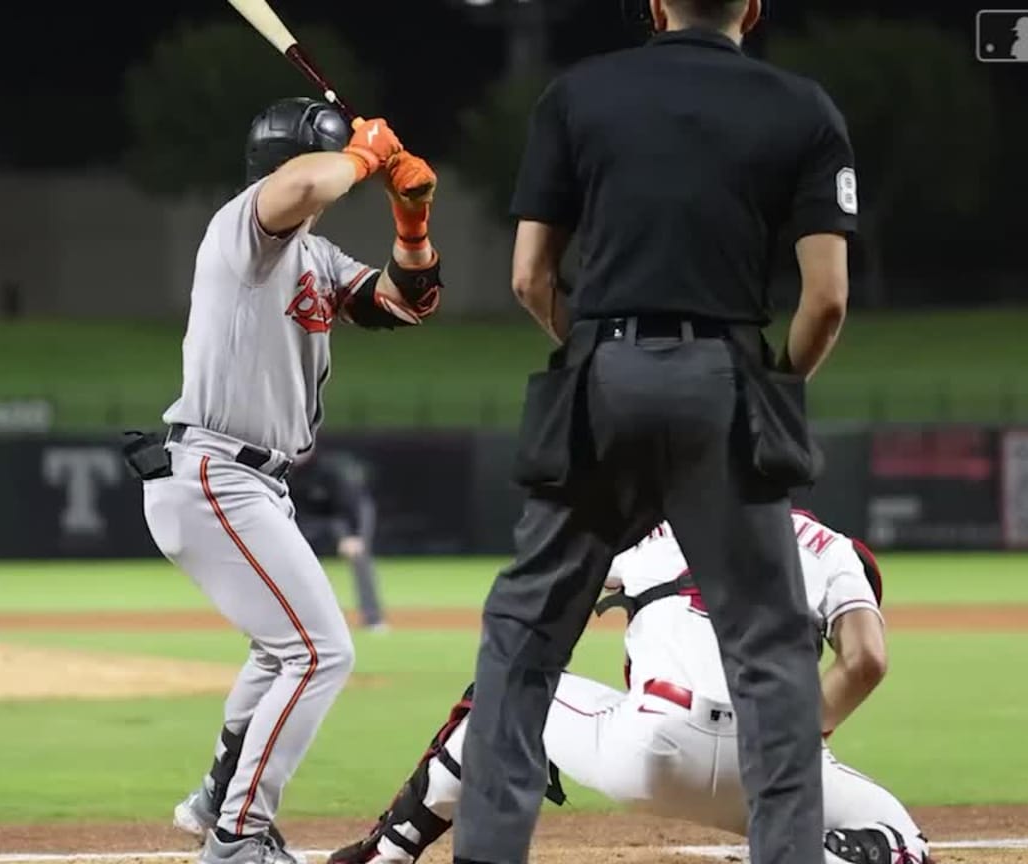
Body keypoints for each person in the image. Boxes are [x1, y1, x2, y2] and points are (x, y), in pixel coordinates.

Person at [453, 2, 858, 864]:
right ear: (753, 8)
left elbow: (529, 276)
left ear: (655, 5)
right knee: (770, 651)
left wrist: (599, 355)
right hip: (725, 381)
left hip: (602, 376)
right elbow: (826, 299)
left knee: (524, 632)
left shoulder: (578, 94)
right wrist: (772, 388)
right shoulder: (803, 108)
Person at [126, 97, 446, 864]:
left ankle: (216, 801)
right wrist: (367, 155)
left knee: (282, 653)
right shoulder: (244, 226)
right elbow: (304, 185)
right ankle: (239, 840)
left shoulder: (314, 254)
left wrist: (410, 218)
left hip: (250, 482)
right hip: (216, 471)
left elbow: (407, 304)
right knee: (321, 653)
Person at [328, 510, 929, 864]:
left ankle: (387, 852)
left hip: (647, 751)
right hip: (771, 770)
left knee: (500, 698)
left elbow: (534, 604)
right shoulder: (833, 548)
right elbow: (866, 662)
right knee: (904, 842)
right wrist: (797, 738)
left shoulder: (652, 536)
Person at [290, 448, 387, 631]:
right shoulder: (282, 471)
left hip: (338, 528)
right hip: (301, 527)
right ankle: (293, 619)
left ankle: (373, 619)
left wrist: (357, 536)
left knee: (360, 558)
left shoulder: (330, 471)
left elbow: (358, 506)